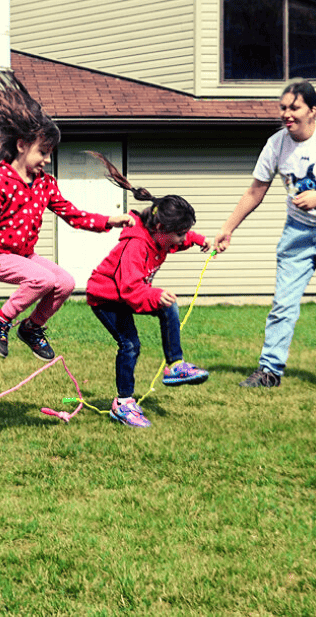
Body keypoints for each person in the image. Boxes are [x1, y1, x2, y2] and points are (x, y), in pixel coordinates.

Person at [214, 80, 316, 393]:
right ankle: (269, 371)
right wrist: (227, 228)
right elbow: (255, 191)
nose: (287, 114)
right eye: (283, 108)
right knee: (283, 304)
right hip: (298, 231)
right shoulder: (276, 145)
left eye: (294, 108)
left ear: (312, 110)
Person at [0, 74, 133, 361]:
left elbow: (72, 214)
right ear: (22, 145)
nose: (47, 160)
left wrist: (109, 220)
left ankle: (32, 328)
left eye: (50, 154)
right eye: (43, 152)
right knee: (43, 279)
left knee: (65, 282)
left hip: (25, 256)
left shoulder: (45, 184)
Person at [85, 154, 212, 428]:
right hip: (106, 298)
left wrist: (201, 240)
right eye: (180, 233)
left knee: (169, 305)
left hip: (127, 293)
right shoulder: (136, 246)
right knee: (130, 344)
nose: (182, 239)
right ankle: (123, 404)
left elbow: (180, 240)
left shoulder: (159, 237)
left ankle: (175, 366)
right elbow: (129, 288)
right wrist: (154, 294)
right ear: (160, 228)